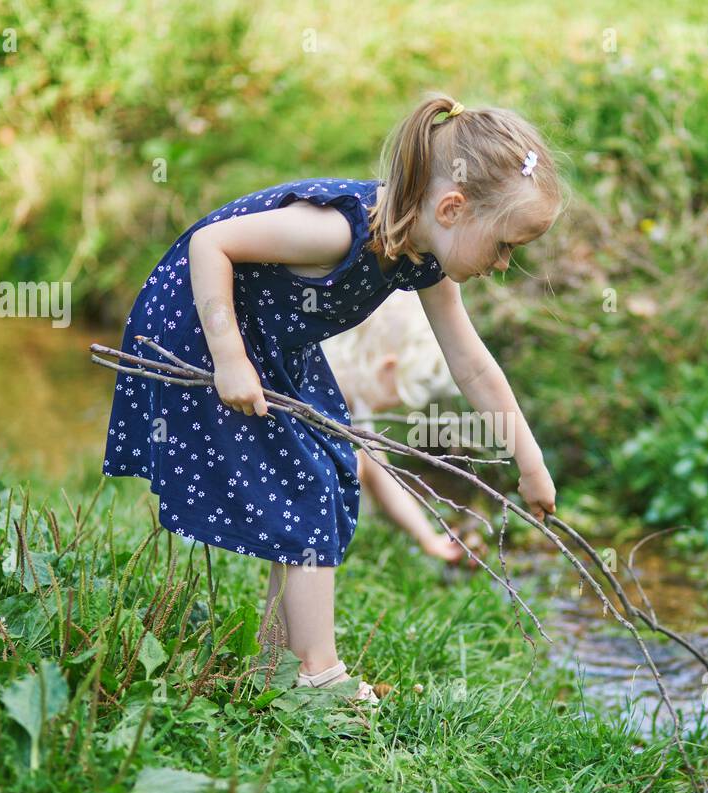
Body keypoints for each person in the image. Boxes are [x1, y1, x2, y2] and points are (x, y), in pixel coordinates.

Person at [101, 93, 565, 704]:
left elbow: (472, 364)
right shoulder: (337, 229)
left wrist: (530, 465)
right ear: (452, 208)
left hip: (273, 343)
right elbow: (209, 244)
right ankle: (320, 672)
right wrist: (229, 358)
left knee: (329, 471)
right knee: (309, 485)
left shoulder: (425, 258)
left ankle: (272, 667)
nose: (505, 264)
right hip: (203, 325)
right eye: (505, 245)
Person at [322, 287, 470, 565]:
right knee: (354, 461)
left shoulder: (359, 409)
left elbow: (384, 475)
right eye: (398, 397)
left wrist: (429, 538)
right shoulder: (314, 395)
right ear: (387, 369)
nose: (397, 406)